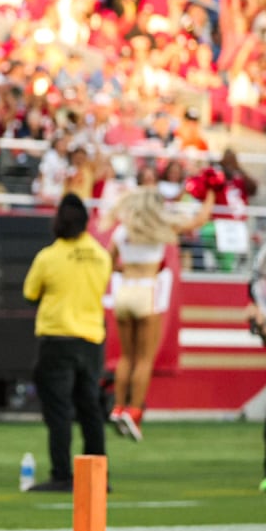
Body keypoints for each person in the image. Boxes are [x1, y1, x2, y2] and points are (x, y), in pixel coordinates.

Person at [106, 186, 214, 441]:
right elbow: (200, 219)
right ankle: (134, 412)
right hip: (147, 292)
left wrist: (124, 271)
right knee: (145, 359)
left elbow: (109, 262)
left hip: (124, 292)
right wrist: (211, 192)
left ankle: (118, 407)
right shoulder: (160, 228)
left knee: (126, 357)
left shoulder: (122, 231)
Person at [21, 194, 113, 492]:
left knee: (59, 412)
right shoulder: (101, 255)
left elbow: (30, 294)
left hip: (57, 340)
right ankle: (98, 476)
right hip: (91, 341)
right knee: (91, 410)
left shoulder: (49, 257)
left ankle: (62, 475)